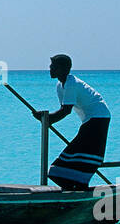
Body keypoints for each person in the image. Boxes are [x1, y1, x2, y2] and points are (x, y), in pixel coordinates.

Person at [31, 54, 110, 191]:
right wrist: (46, 119)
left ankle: (79, 186)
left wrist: (46, 119)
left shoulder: (71, 83)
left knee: (82, 151)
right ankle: (77, 186)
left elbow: (66, 111)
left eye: (53, 67)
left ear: (62, 69)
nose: (50, 69)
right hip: (89, 120)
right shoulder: (60, 86)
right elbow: (63, 109)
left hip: (98, 117)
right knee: (60, 169)